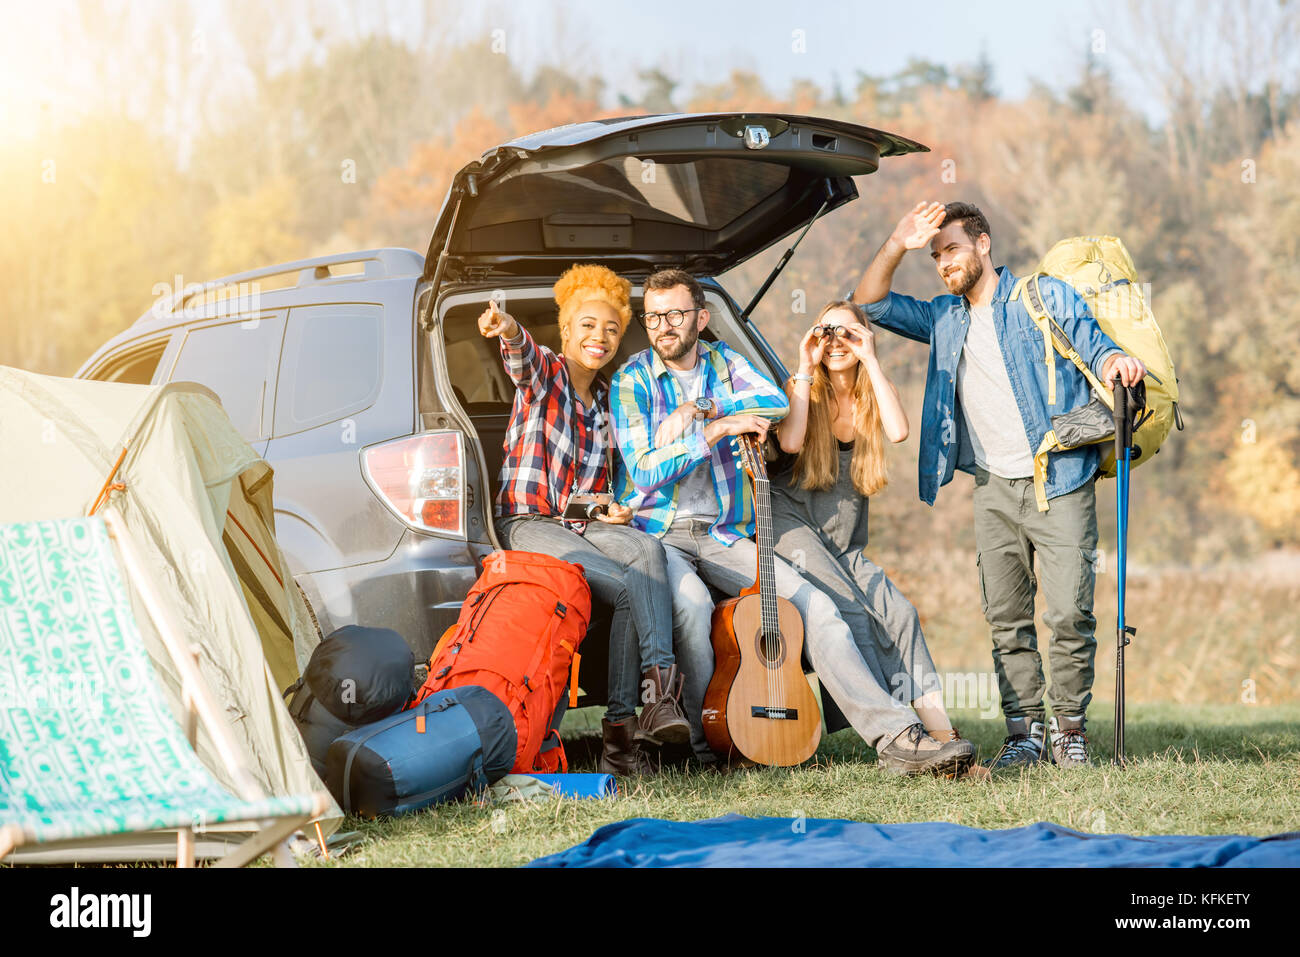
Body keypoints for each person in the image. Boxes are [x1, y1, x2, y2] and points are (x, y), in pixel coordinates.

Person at [609, 268, 974, 776]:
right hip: (660, 533)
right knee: (690, 605)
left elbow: (776, 402)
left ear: (701, 317)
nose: (663, 325)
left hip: (725, 533)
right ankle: (705, 747)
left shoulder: (724, 362)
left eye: (675, 314)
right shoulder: (632, 380)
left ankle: (896, 737)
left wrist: (705, 406)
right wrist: (715, 431)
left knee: (818, 611)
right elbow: (646, 470)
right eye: (653, 316)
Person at [853, 201, 1147, 768]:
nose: (943, 263)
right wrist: (896, 242)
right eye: (936, 256)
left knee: (1067, 615)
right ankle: (1024, 733)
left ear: (983, 244)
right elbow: (869, 304)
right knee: (1006, 616)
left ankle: (1068, 729)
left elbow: (1093, 342)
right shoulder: (943, 317)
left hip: (1058, 479)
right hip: (991, 488)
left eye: (953, 249)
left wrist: (1115, 360)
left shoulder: (1042, 296)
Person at [481, 263, 690, 776]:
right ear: (568, 330)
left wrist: (608, 509)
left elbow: (589, 491)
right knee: (623, 587)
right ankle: (621, 733)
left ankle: (657, 700)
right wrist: (508, 328)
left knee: (648, 551)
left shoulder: (603, 403)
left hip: (578, 523)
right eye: (589, 326)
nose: (601, 337)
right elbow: (521, 355)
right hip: (528, 523)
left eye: (613, 329)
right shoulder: (545, 375)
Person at [771, 300, 977, 768]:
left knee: (900, 614)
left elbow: (900, 431)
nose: (836, 343)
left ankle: (944, 740)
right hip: (792, 528)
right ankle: (897, 738)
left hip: (844, 541)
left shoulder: (872, 395)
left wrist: (872, 361)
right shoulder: (803, 387)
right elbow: (789, 442)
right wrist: (804, 365)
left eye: (848, 334)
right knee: (851, 610)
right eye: (827, 333)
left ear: (865, 339)